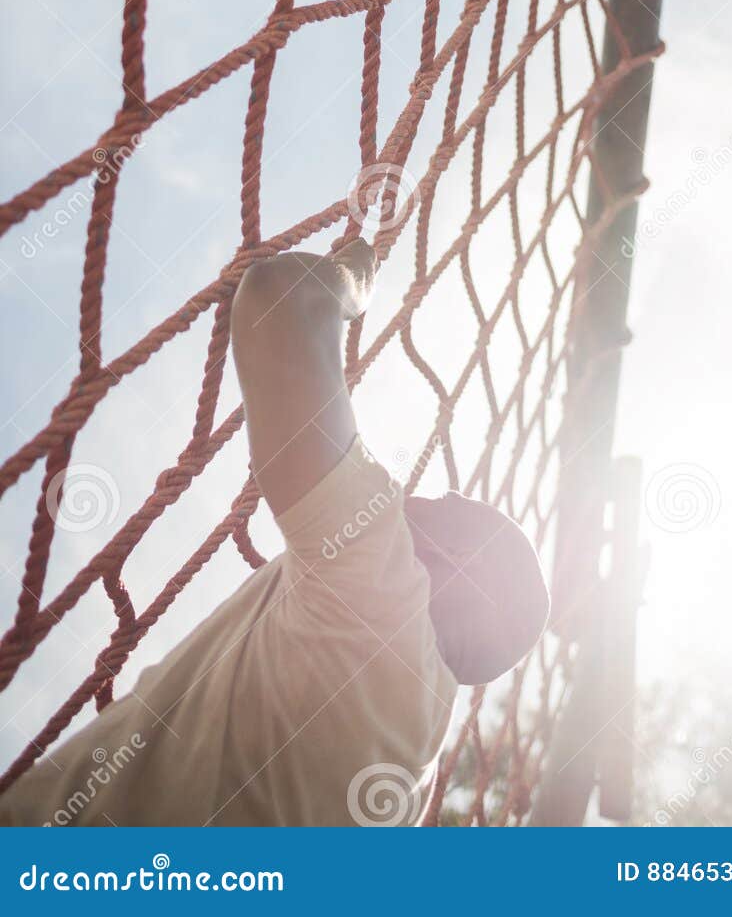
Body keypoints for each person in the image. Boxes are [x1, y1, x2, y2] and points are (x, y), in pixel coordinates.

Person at [0, 241, 549, 827]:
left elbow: (279, 299)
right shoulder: (411, 784)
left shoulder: (381, 590)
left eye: (443, 502)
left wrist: (354, 279)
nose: (419, 496)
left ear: (460, 557)